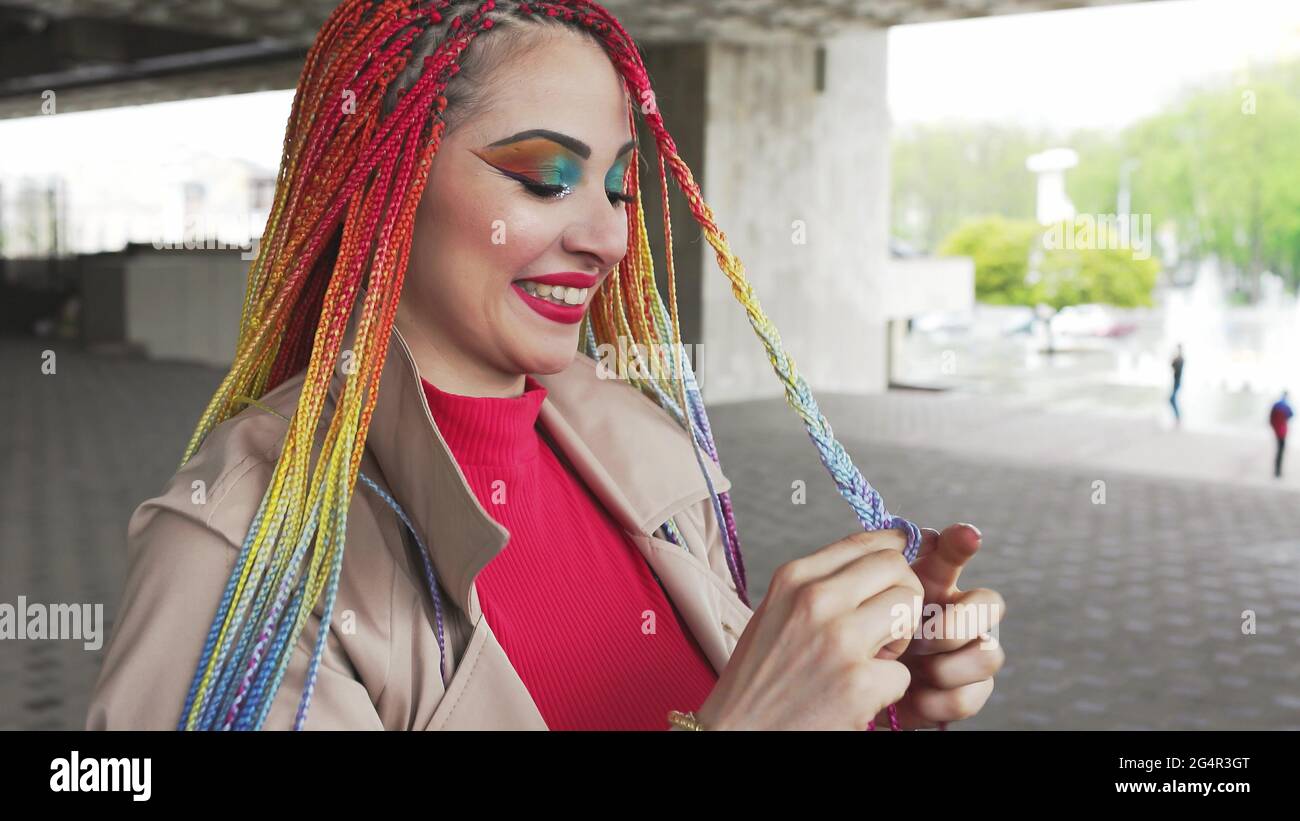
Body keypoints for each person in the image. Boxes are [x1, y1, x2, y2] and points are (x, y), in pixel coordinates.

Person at [86, 0, 1004, 731]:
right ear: (385, 177)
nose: (607, 235)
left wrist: (867, 695)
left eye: (617, 185)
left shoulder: (639, 449)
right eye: (543, 177)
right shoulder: (243, 553)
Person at [1271, 391, 1293, 478]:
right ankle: (1278, 471)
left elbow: (1270, 418)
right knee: (1280, 451)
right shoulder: (1286, 406)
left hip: (1277, 430)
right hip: (1282, 431)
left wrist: (1274, 427)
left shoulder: (1276, 405)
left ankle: (1277, 470)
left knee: (1279, 450)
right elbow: (1291, 415)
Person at [1170, 343, 1185, 424]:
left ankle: (1178, 417)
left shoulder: (1181, 359)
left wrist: (1174, 360)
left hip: (1177, 382)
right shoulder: (1178, 359)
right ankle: (1177, 417)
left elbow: (1175, 367)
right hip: (1175, 382)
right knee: (1172, 399)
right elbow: (1172, 366)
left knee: (1172, 399)